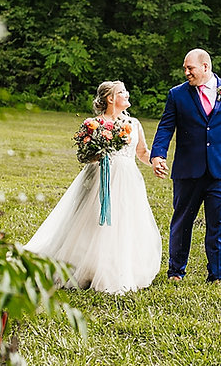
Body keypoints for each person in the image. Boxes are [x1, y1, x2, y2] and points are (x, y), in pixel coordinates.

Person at [24, 81, 162, 294]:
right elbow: (84, 155)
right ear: (110, 98)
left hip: (127, 181)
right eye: (122, 92)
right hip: (99, 178)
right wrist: (99, 152)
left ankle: (117, 267)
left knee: (124, 223)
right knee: (90, 222)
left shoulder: (134, 123)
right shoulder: (93, 124)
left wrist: (154, 161)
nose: (127, 94)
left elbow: (142, 152)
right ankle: (83, 266)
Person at [150, 48, 221, 283]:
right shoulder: (177, 95)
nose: (186, 72)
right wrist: (158, 154)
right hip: (188, 171)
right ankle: (176, 272)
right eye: (185, 69)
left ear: (205, 67)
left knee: (218, 223)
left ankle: (217, 275)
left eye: (191, 68)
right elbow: (166, 126)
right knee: (181, 222)